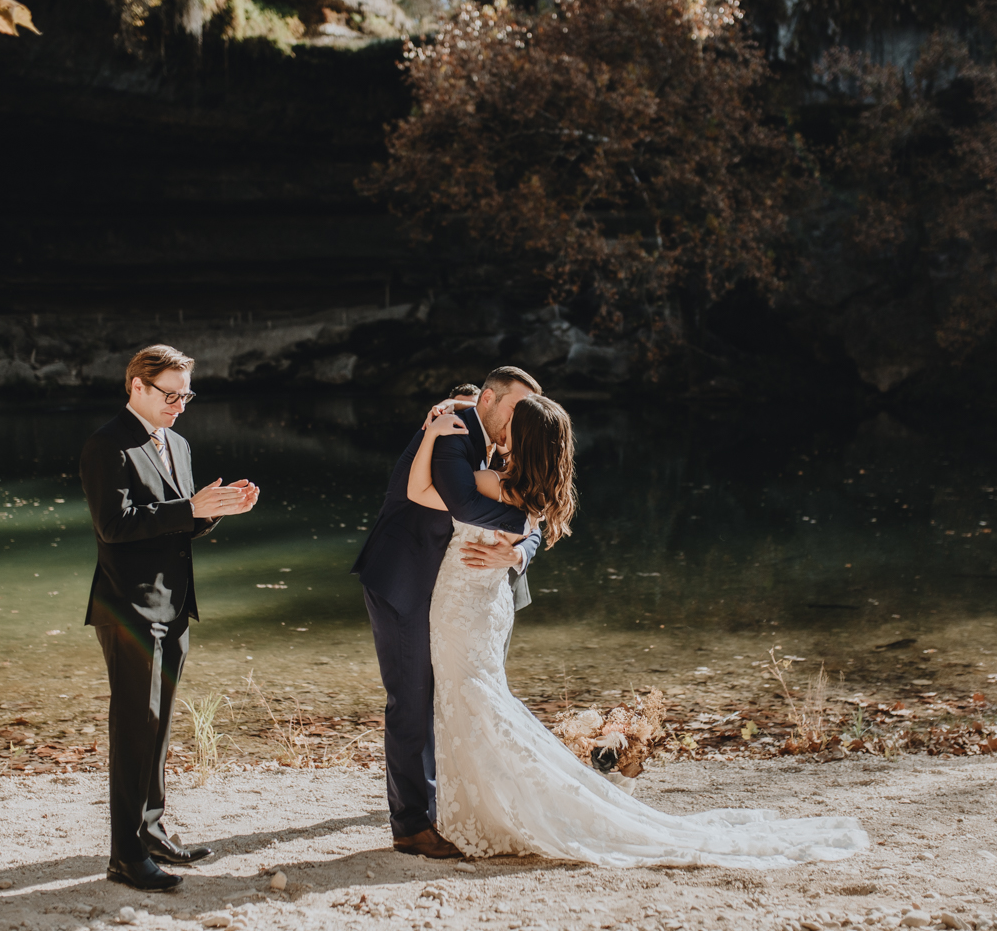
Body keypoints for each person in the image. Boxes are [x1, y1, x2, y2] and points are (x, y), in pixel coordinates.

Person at [407, 394, 870, 867]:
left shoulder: (487, 483)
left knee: (469, 703)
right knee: (480, 703)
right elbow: (502, 519)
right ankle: (490, 809)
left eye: (511, 427)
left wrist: (430, 437)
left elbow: (421, 493)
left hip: (462, 608)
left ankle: (487, 813)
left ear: (521, 441)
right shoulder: (533, 495)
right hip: (485, 606)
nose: (501, 431)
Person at [79, 345, 259, 892]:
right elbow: (115, 525)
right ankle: (125, 856)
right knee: (134, 728)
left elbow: (177, 524)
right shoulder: (107, 443)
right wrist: (192, 509)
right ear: (137, 386)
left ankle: (152, 831)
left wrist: (216, 511)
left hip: (175, 604)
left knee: (157, 727)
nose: (181, 406)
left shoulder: (176, 442)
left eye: (187, 395)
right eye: (171, 394)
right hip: (129, 606)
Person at [351, 366, 544, 859]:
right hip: (407, 580)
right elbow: (461, 503)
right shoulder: (452, 433)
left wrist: (520, 548)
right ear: (488, 399)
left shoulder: (489, 441)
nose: (519, 421)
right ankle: (412, 826)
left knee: (454, 697)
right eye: (515, 409)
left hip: (454, 593)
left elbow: (536, 498)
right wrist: (521, 523)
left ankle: (436, 810)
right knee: (412, 700)